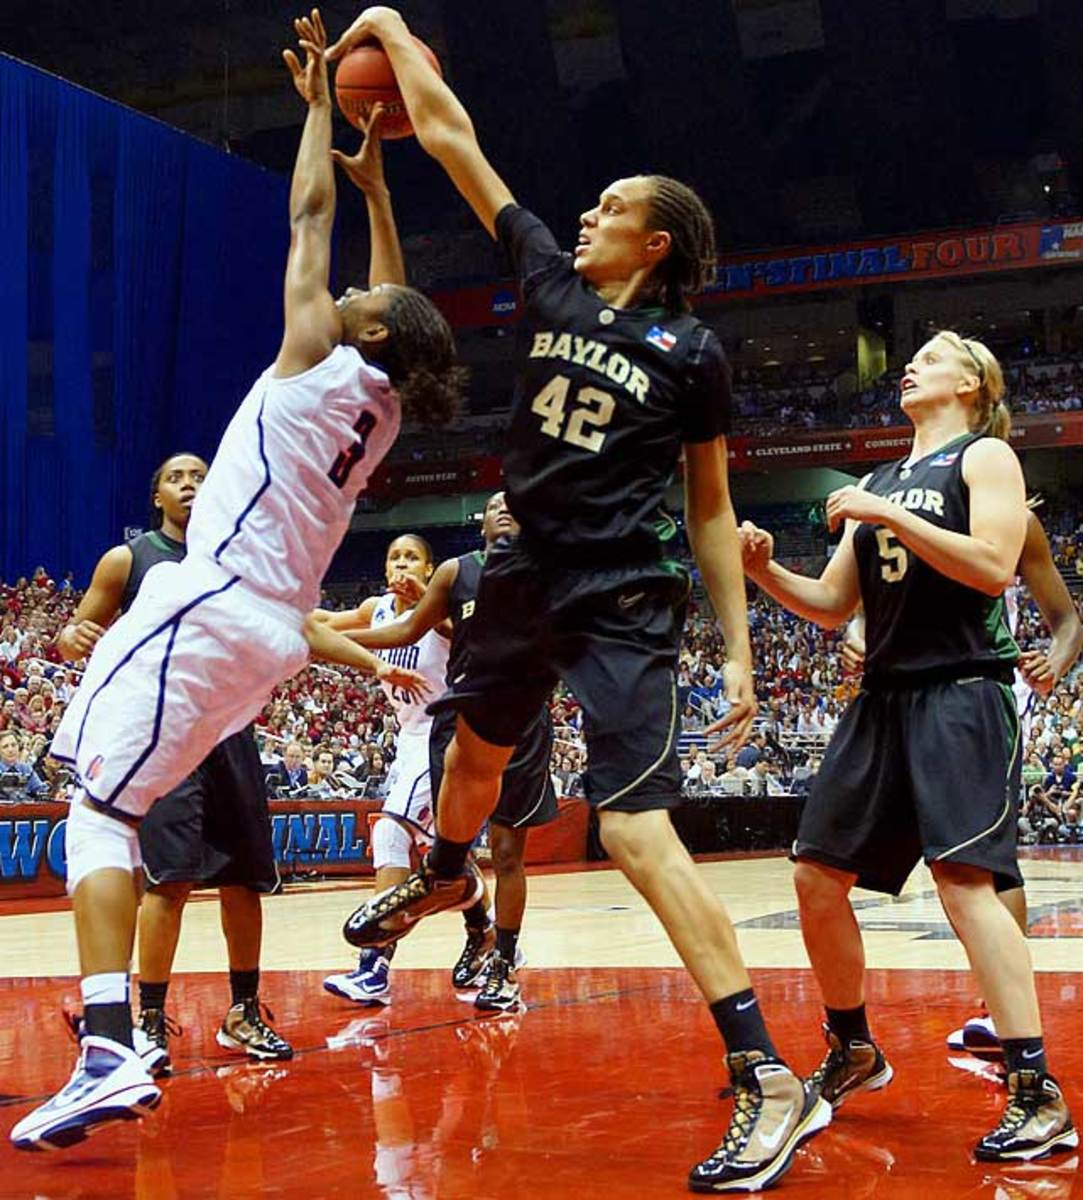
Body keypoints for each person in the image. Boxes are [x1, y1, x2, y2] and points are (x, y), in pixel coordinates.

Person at [327, 10, 830, 1193]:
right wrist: (394, 27)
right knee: (475, 746)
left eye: (612, 206)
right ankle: (447, 867)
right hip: (518, 569)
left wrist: (741, 654)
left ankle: (766, 1073)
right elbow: (453, 140)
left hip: (621, 595)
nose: (588, 213)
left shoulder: (692, 350)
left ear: (654, 243)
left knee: (633, 828)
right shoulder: (549, 279)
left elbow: (711, 507)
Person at [10, 10, 462, 1152]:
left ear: (361, 329)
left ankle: (113, 1044)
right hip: (263, 634)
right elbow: (389, 289)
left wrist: (317, 112)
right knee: (119, 804)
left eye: (357, 301)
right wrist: (383, 195)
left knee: (96, 810)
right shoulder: (385, 401)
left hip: (211, 609)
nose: (344, 297)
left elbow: (301, 218)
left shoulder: (315, 363)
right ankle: (121, 1034)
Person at [740, 330, 1076, 1161]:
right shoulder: (877, 480)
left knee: (964, 882)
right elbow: (828, 604)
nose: (909, 366)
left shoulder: (985, 457)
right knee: (814, 875)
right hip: (881, 698)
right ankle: (852, 1046)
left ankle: (1037, 1091)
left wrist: (881, 511)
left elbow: (994, 565)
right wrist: (764, 573)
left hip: (960, 688)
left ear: (971, 381)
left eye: (929, 356)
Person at [56, 452, 292, 1075]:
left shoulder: (239, 563)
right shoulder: (130, 560)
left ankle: (243, 1013)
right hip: (163, 738)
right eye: (177, 478)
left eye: (202, 476)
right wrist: (75, 635)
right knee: (171, 879)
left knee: (245, 879)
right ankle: (149, 1022)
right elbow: (75, 630)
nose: (191, 485)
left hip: (231, 733)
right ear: (157, 495)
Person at [842, 502, 1083, 1061]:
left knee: (986, 863)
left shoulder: (1010, 521)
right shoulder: (895, 512)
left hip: (976, 685)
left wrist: (1057, 662)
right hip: (903, 688)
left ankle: (1008, 1021)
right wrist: (857, 629)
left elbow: (1067, 620)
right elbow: (868, 602)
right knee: (949, 866)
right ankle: (1001, 1012)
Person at [333, 491, 560, 1013]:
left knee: (506, 853)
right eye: (495, 503)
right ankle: (463, 919)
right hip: (459, 719)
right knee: (448, 852)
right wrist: (326, 638)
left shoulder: (549, 570)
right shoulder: (456, 573)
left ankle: (502, 962)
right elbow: (406, 629)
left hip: (522, 719)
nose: (504, 506)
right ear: (481, 523)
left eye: (515, 502)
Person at [319, 533, 488, 1005]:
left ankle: (373, 966)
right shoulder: (376, 608)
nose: (402, 564)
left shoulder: (441, 612)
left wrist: (430, 614)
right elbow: (326, 621)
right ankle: (488, 935)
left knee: (390, 834)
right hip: (408, 739)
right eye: (394, 556)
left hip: (444, 736)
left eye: (412, 557)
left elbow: (469, 635)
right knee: (447, 860)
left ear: (430, 570)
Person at [0, 731, 48, 799]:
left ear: (18, 747)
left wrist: (55, 791)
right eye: (5, 747)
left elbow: (41, 789)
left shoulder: (26, 768)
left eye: (13, 745)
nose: (10, 750)